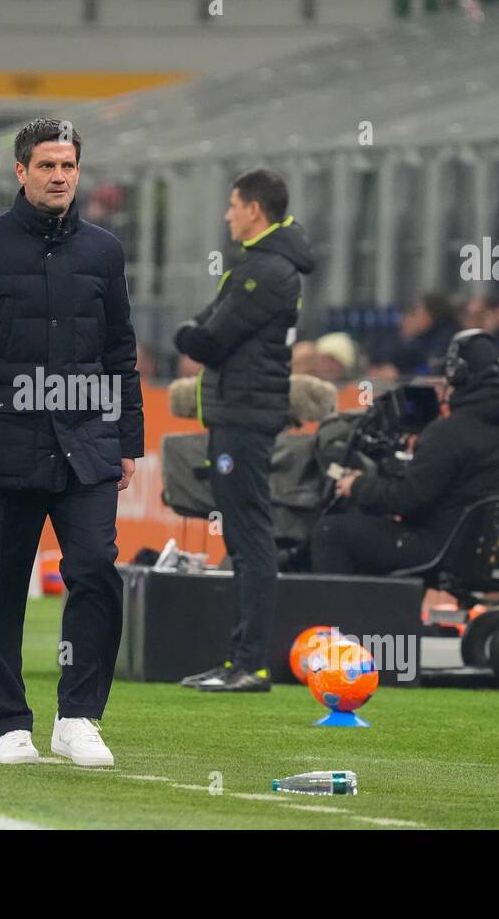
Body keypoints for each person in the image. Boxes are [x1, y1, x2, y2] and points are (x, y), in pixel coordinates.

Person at [0, 117, 143, 767]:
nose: (58, 176)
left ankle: (79, 717)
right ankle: (9, 722)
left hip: (86, 447)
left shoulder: (104, 251)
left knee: (96, 572)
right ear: (21, 172)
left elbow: (120, 350)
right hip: (0, 444)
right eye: (46, 165)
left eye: (68, 166)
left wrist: (128, 438)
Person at [171, 167, 315, 693]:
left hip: (245, 421)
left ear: (255, 209)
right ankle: (237, 659)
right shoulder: (260, 267)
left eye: (233, 205)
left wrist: (191, 333)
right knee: (241, 536)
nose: (228, 215)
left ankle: (250, 663)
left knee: (251, 538)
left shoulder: (267, 272)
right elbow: (205, 331)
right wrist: (195, 332)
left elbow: (206, 338)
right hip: (237, 416)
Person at [311, 329, 499, 576]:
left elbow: (405, 500)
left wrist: (358, 485)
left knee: (331, 532)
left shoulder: (449, 432)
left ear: (456, 375)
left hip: (442, 550)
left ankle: (340, 615)